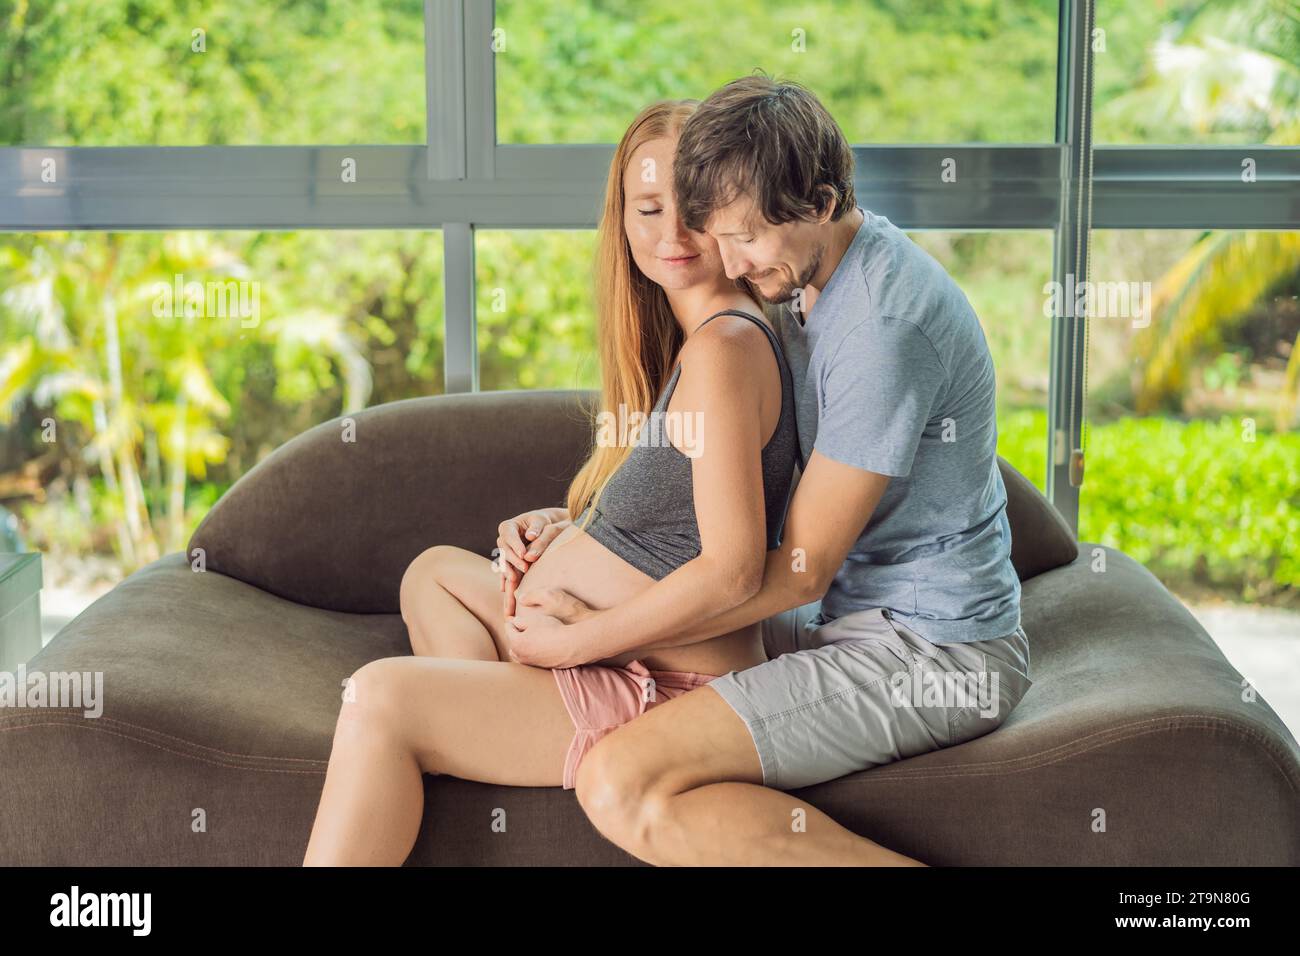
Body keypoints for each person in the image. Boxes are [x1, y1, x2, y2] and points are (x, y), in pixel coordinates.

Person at [303, 98, 876, 865]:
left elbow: (734, 569)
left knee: (382, 696)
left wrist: (569, 644)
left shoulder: (727, 350)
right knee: (433, 574)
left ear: (729, 210)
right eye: (647, 208)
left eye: (693, 210)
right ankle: (481, 741)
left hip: (660, 685)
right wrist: (578, 532)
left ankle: (461, 732)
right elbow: (686, 510)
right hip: (615, 655)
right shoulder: (702, 341)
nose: (670, 234)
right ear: (622, 217)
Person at [511, 75, 1034, 867]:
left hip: (934, 652)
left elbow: (796, 569)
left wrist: (586, 639)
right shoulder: (815, 277)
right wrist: (582, 533)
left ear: (822, 201)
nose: (727, 261)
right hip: (854, 616)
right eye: (715, 235)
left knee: (619, 779)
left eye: (746, 238)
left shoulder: (882, 328)